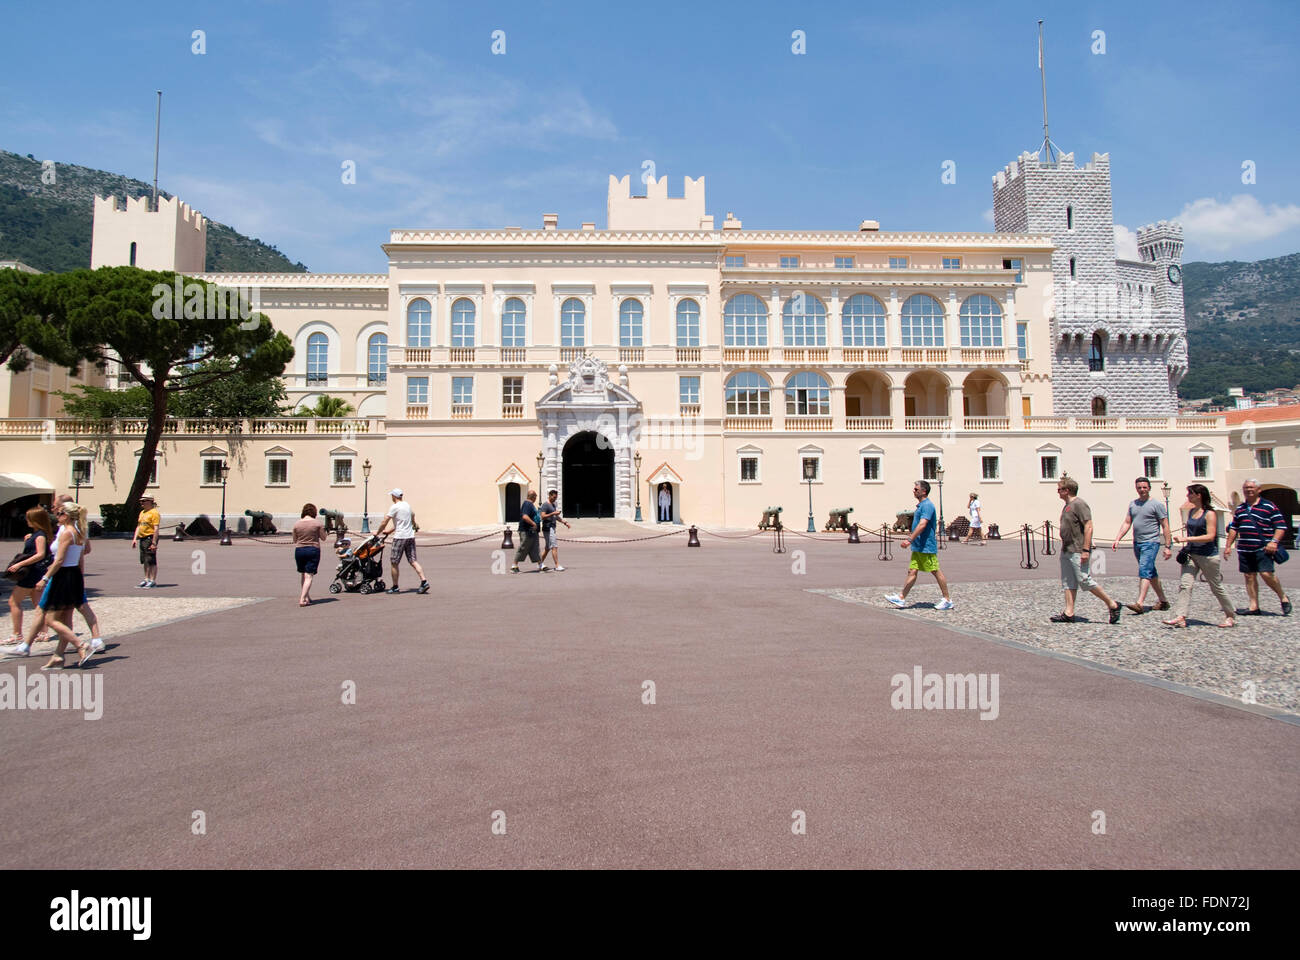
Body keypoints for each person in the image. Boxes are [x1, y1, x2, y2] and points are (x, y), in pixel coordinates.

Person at [26, 502, 99, 668]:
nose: (56, 516)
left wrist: (44, 578)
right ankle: (59, 655)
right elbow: (82, 554)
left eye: (59, 513)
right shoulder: (78, 531)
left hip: (63, 575)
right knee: (65, 619)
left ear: (66, 515)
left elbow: (59, 560)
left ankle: (81, 644)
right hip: (72, 574)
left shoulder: (68, 532)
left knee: (51, 619)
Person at [1165, 484, 1236, 628]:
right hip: (1191, 554)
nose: (1187, 496)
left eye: (1190, 494)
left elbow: (1210, 536)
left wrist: (1187, 539)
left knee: (1215, 586)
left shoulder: (1209, 513)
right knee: (1185, 585)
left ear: (1199, 495)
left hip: (1208, 555)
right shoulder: (1191, 511)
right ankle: (1180, 616)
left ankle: (1230, 615)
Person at [1052, 477, 1123, 624]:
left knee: (1084, 580)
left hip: (1077, 549)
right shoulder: (1067, 505)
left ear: (1067, 490)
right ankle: (1069, 612)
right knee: (1068, 581)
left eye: (1059, 489)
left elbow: (1089, 526)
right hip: (1067, 549)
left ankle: (1112, 604)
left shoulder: (1079, 504)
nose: (1057, 492)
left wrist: (1085, 549)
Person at [1224, 479, 1291, 616]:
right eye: (1245, 488)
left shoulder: (1269, 506)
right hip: (1244, 548)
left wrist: (1274, 542)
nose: (1248, 490)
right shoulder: (1240, 508)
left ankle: (1283, 597)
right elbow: (1234, 528)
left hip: (1263, 547)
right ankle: (1254, 606)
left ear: (1258, 490)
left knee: (1266, 574)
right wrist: (1228, 546)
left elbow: (1280, 526)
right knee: (1249, 576)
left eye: (1251, 487)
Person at [886, 480, 953, 609]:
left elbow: (923, 524)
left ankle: (947, 599)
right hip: (919, 546)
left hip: (926, 545)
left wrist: (910, 539)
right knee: (912, 571)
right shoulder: (921, 506)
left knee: (935, 570)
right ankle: (901, 597)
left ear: (924, 491)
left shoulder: (927, 506)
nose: (914, 491)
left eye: (916, 489)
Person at [1111, 477, 1171, 614]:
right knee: (1150, 571)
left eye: (1144, 487)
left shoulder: (1157, 505)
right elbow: (1127, 522)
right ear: (1136, 488)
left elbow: (1165, 526)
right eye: (1139, 487)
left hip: (1151, 542)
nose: (1142, 490)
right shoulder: (1133, 504)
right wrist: (1118, 538)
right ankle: (1163, 601)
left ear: (1149, 488)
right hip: (1137, 542)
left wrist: (1168, 546)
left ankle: (1140, 603)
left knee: (1144, 570)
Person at [6, 507, 53, 646]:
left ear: (35, 520)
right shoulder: (39, 534)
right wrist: (28, 539)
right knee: (38, 603)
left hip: (31, 572)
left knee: (14, 601)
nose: (26, 520)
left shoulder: (39, 535)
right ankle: (44, 632)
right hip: (37, 572)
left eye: (28, 518)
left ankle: (17, 634)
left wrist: (20, 564)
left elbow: (40, 554)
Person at [374, 488, 429, 595]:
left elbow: (385, 520)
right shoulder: (407, 505)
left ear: (394, 496)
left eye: (392, 496)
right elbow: (410, 517)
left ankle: (395, 587)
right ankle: (424, 581)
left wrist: (378, 532)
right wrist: (413, 523)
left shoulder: (394, 507)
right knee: (413, 560)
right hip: (410, 537)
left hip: (400, 537)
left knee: (394, 562)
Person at [293, 503, 326, 606]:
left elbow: (295, 540)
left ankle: (307, 596)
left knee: (303, 574)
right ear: (314, 512)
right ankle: (302, 599)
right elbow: (323, 538)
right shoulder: (317, 524)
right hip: (313, 549)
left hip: (299, 550)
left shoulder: (297, 524)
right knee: (309, 576)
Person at [131, 494, 161, 588]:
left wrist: (154, 542)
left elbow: (156, 529)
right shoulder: (142, 512)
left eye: (143, 501)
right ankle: (146, 578)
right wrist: (135, 539)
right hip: (142, 538)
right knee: (144, 560)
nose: (142, 503)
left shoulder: (154, 513)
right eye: (141, 501)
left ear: (150, 501)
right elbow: (139, 526)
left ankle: (152, 580)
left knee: (151, 559)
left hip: (150, 537)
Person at [511, 490, 543, 573]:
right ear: (533, 497)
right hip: (526, 530)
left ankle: (540, 564)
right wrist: (533, 524)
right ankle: (514, 565)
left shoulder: (530, 504)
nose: (536, 498)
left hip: (532, 531)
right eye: (535, 496)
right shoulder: (527, 504)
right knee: (523, 547)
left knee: (535, 547)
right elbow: (525, 516)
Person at [538, 489, 571, 571]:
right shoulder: (545, 505)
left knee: (548, 548)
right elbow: (542, 516)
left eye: (556, 497)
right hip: (548, 528)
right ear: (549, 496)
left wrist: (564, 522)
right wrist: (553, 513)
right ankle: (557, 565)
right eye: (554, 497)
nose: (555, 499)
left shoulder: (553, 505)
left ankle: (540, 563)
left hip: (552, 527)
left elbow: (556, 517)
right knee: (554, 546)